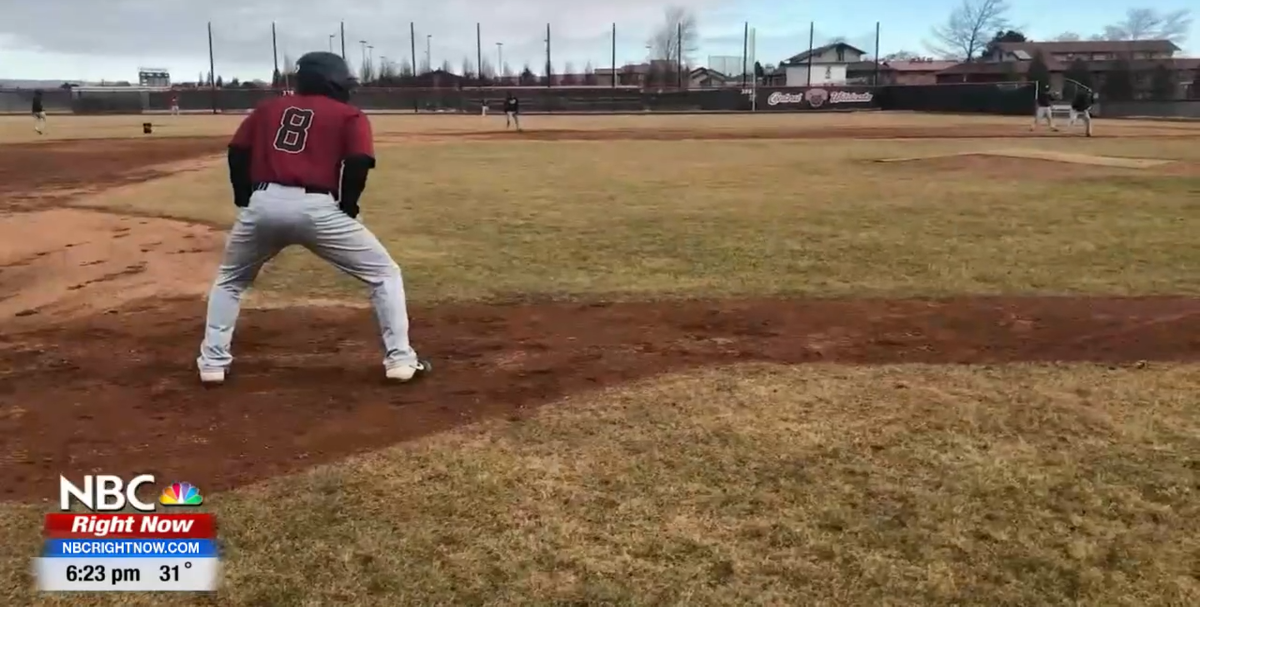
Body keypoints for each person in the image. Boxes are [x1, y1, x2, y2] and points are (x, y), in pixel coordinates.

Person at [196, 51, 428, 385]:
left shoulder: (267, 108)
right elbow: (359, 161)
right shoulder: (349, 115)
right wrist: (348, 205)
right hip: (318, 206)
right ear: (332, 80)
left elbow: (237, 151)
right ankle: (401, 361)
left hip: (262, 201)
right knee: (384, 275)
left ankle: (212, 365)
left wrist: (243, 197)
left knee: (230, 281)